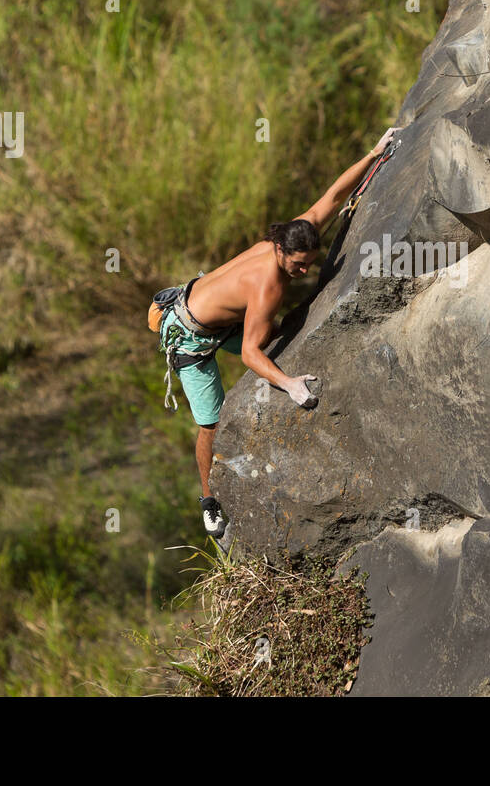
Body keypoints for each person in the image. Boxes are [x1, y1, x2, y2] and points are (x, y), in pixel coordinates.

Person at [156, 127, 402, 536]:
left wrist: (375, 153)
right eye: (297, 266)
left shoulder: (295, 234)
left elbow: (333, 196)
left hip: (213, 315)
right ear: (279, 250)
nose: (304, 271)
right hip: (189, 336)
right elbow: (252, 354)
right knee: (211, 423)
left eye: (309, 264)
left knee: (273, 328)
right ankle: (208, 501)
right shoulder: (267, 284)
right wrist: (288, 384)